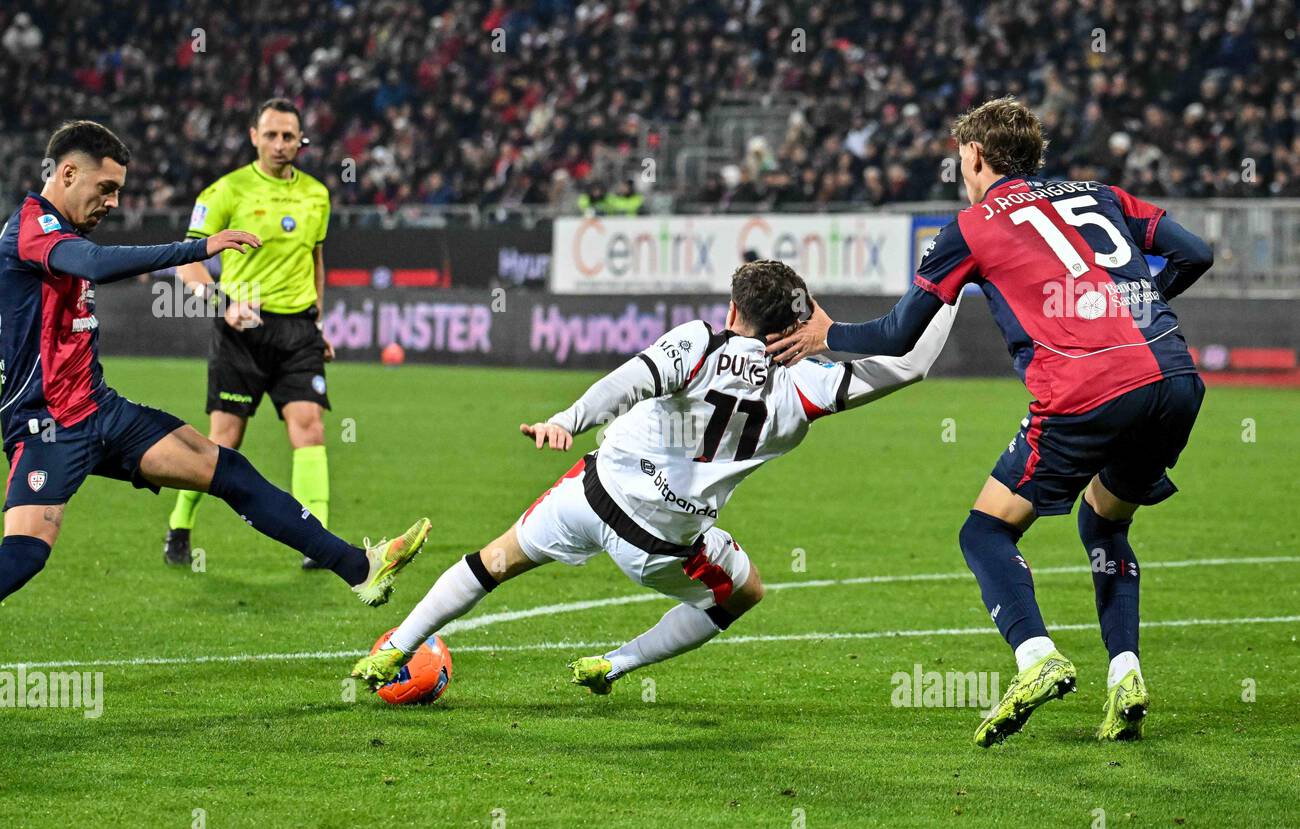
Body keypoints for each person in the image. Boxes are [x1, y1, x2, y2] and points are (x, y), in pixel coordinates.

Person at [766, 98, 1213, 745]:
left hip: (1086, 388)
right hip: (1174, 377)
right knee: (1103, 521)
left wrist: (827, 332)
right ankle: (1125, 674)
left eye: (960, 160)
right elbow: (1194, 252)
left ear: (975, 158)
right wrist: (1134, 305)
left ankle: (1036, 658)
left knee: (984, 534)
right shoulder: (1101, 193)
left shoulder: (972, 226)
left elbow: (897, 334)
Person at [350, 260, 958, 693]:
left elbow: (628, 381)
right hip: (662, 547)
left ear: (732, 311)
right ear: (795, 323)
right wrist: (950, 287)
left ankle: (396, 649)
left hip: (591, 495)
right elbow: (909, 365)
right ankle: (616, 664)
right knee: (744, 593)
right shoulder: (808, 389)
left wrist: (567, 419)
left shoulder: (698, 343)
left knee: (494, 561)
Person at [0, 120, 429, 607]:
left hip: (101, 410)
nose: (114, 202)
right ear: (69, 173)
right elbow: (97, 264)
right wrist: (200, 248)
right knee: (25, 555)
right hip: (47, 426)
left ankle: (362, 569)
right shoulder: (33, 226)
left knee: (229, 471)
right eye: (107, 189)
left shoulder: (63, 229)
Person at [165, 98, 337, 571]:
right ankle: (180, 523)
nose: (281, 144)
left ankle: (315, 542)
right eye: (272, 135)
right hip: (242, 329)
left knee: (310, 428)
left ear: (300, 140)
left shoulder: (318, 195)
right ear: (253, 136)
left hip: (298, 329)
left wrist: (318, 322)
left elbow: (315, 261)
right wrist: (222, 303)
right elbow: (188, 261)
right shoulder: (227, 190)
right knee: (224, 442)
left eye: (289, 136)